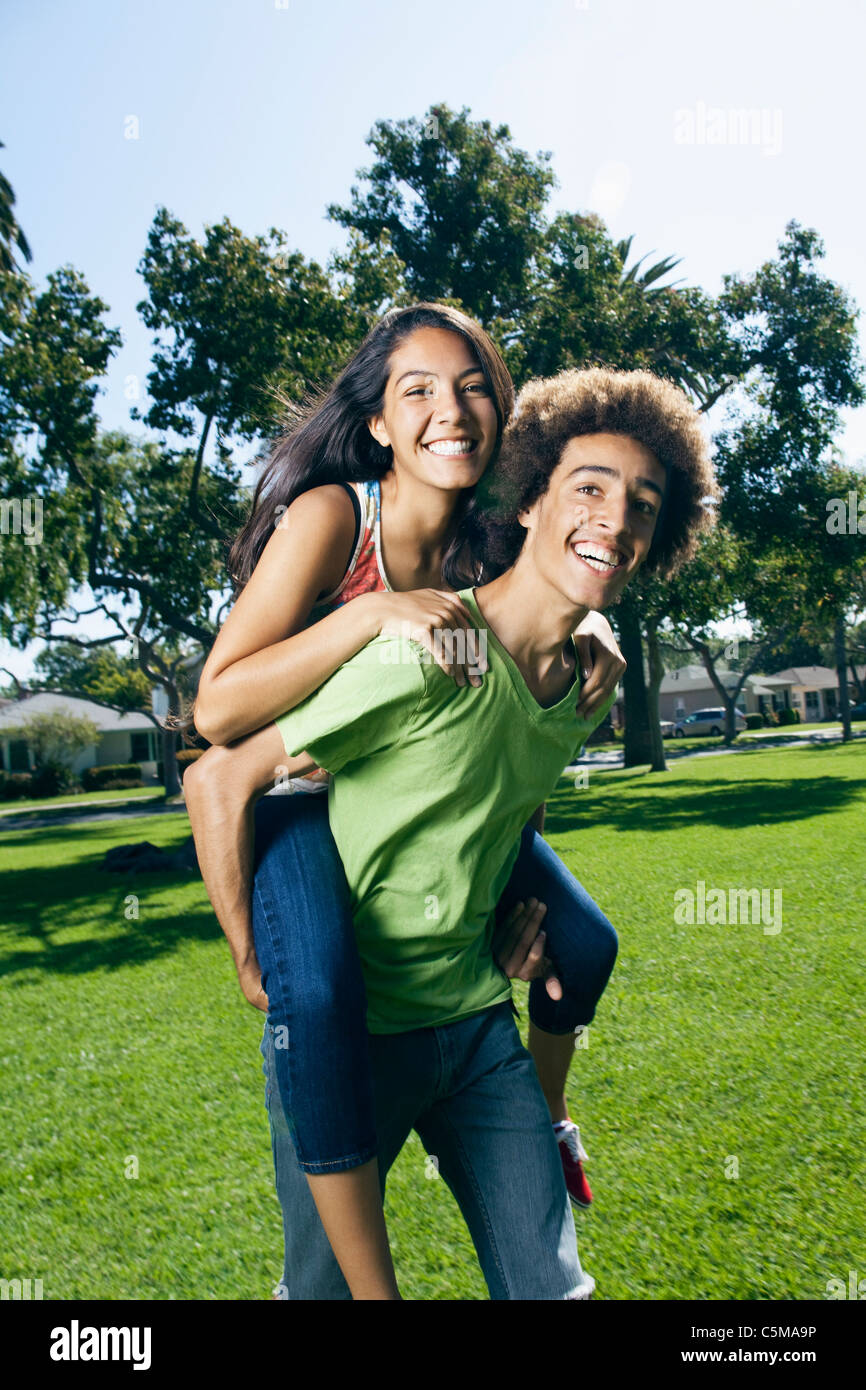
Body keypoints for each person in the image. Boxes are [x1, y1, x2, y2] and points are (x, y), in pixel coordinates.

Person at [186, 365, 715, 1300]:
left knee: (553, 1290)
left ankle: (551, 1116)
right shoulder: (428, 650)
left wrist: (514, 911)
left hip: (477, 1031)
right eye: (587, 487)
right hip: (354, 1038)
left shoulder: (584, 685)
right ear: (530, 503)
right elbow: (222, 774)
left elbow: (509, 798)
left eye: (642, 503)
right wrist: (252, 961)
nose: (614, 518)